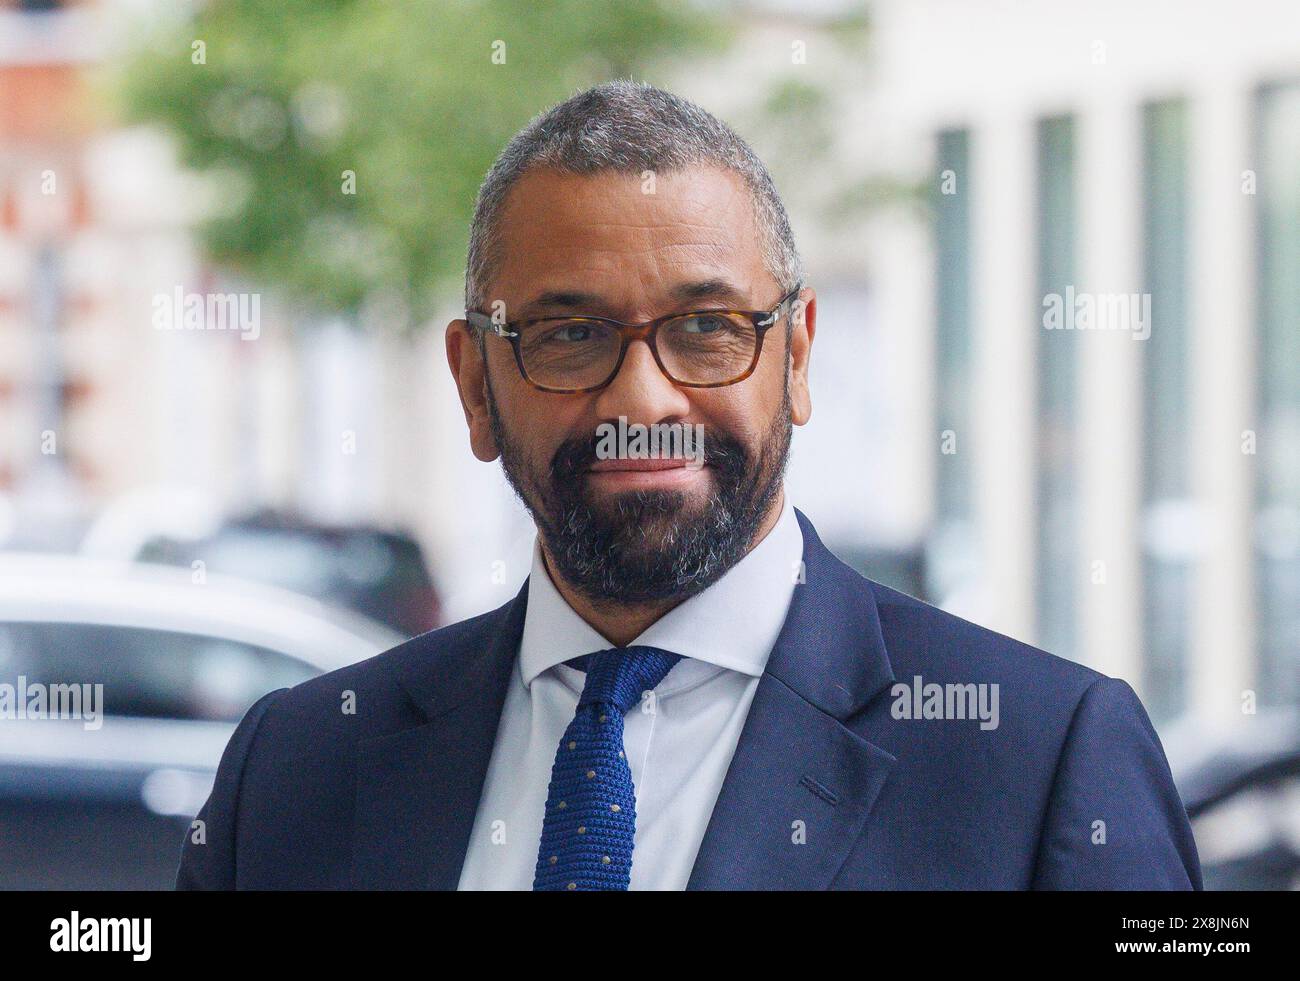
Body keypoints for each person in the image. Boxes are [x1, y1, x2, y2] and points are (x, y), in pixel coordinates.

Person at [176, 79, 1201, 890]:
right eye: (569, 335)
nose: (643, 399)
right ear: (474, 384)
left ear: (795, 358)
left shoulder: (1038, 762)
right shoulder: (296, 772)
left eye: (707, 330)